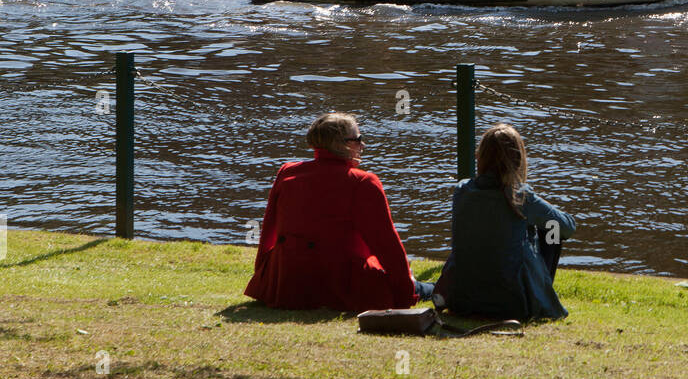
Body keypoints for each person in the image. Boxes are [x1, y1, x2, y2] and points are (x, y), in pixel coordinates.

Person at [244, 112, 433, 311]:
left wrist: (264, 278)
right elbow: (387, 244)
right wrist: (406, 291)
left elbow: (268, 232)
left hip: (286, 282)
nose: (363, 145)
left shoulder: (288, 171)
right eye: (358, 139)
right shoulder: (362, 182)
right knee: (428, 288)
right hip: (337, 284)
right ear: (341, 144)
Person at [435, 123, 576, 321]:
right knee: (551, 229)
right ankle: (542, 295)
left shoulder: (461, 191)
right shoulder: (520, 196)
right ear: (518, 160)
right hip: (513, 306)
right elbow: (567, 227)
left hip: (462, 300)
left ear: (480, 157)